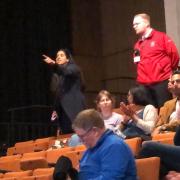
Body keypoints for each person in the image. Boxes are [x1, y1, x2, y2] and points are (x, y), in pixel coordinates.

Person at [72, 109, 137, 180]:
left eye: (82, 136)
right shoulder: (92, 147)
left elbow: (110, 178)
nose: (80, 140)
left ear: (95, 131)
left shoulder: (114, 146)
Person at [133, 13, 179, 108]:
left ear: (146, 23)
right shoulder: (137, 45)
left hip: (161, 82)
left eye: (137, 23)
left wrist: (167, 72)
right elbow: (138, 63)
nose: (134, 26)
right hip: (144, 85)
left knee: (164, 111)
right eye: (133, 24)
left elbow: (174, 55)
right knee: (150, 114)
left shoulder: (161, 37)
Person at [43, 49, 86, 134]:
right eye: (57, 56)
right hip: (63, 111)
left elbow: (66, 71)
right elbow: (56, 94)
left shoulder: (73, 68)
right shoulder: (57, 75)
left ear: (68, 59)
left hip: (74, 109)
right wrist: (55, 110)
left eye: (61, 55)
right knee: (65, 136)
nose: (58, 57)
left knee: (78, 135)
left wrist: (54, 65)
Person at [152, 70, 180, 135]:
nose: (175, 84)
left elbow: (162, 126)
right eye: (173, 82)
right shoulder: (168, 104)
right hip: (166, 137)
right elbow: (158, 125)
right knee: (146, 144)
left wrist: (164, 127)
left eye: (178, 81)